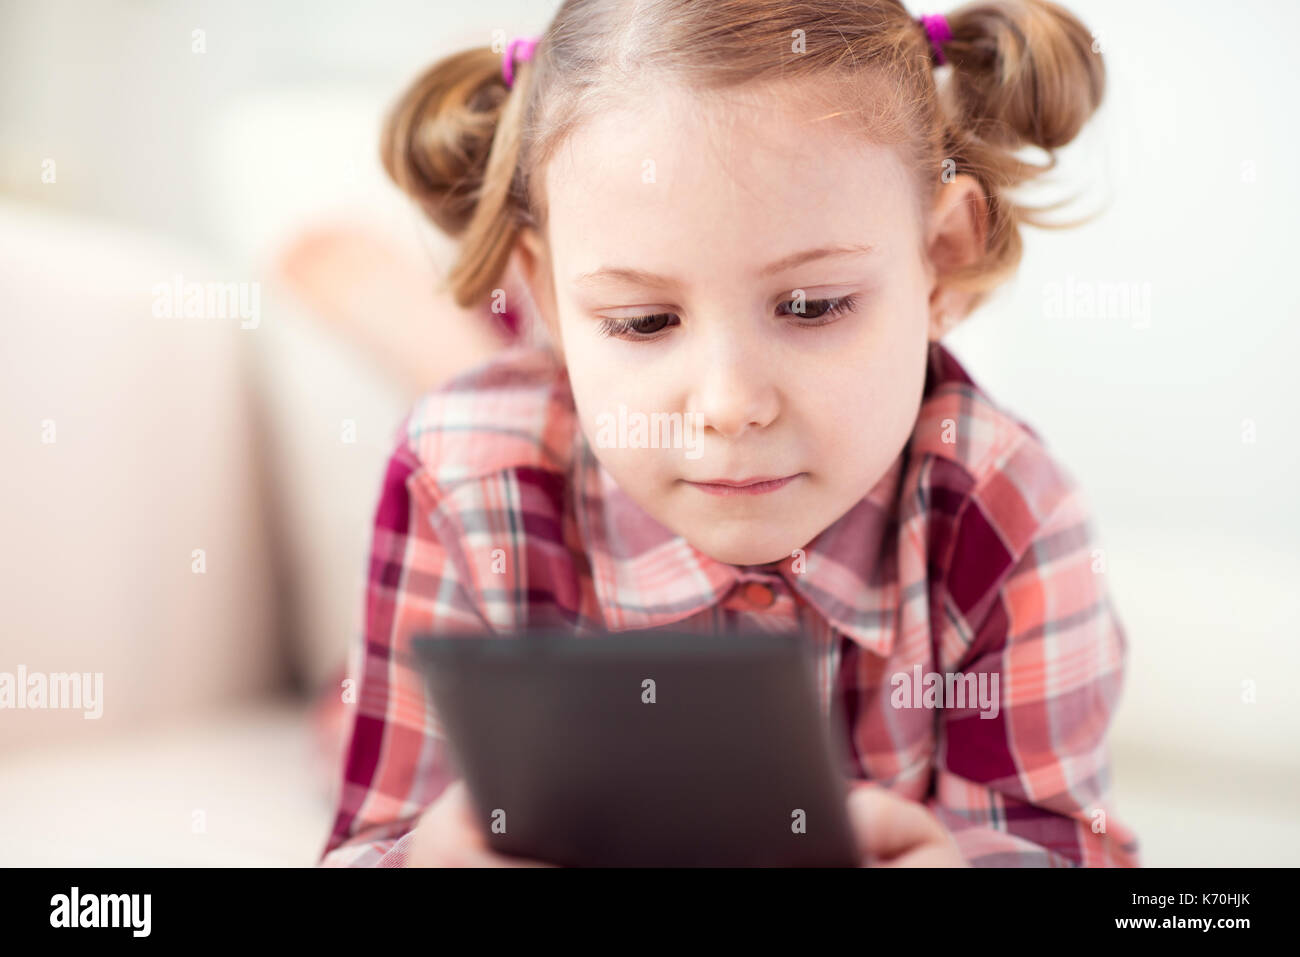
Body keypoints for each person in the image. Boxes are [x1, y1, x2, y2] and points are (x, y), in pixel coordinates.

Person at [318, 0, 1139, 867]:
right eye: (643, 321)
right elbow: (372, 840)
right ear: (551, 300)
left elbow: (1066, 850)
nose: (730, 405)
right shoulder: (459, 477)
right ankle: (434, 328)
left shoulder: (1010, 511)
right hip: (530, 434)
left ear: (943, 260)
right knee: (485, 416)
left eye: (812, 306)